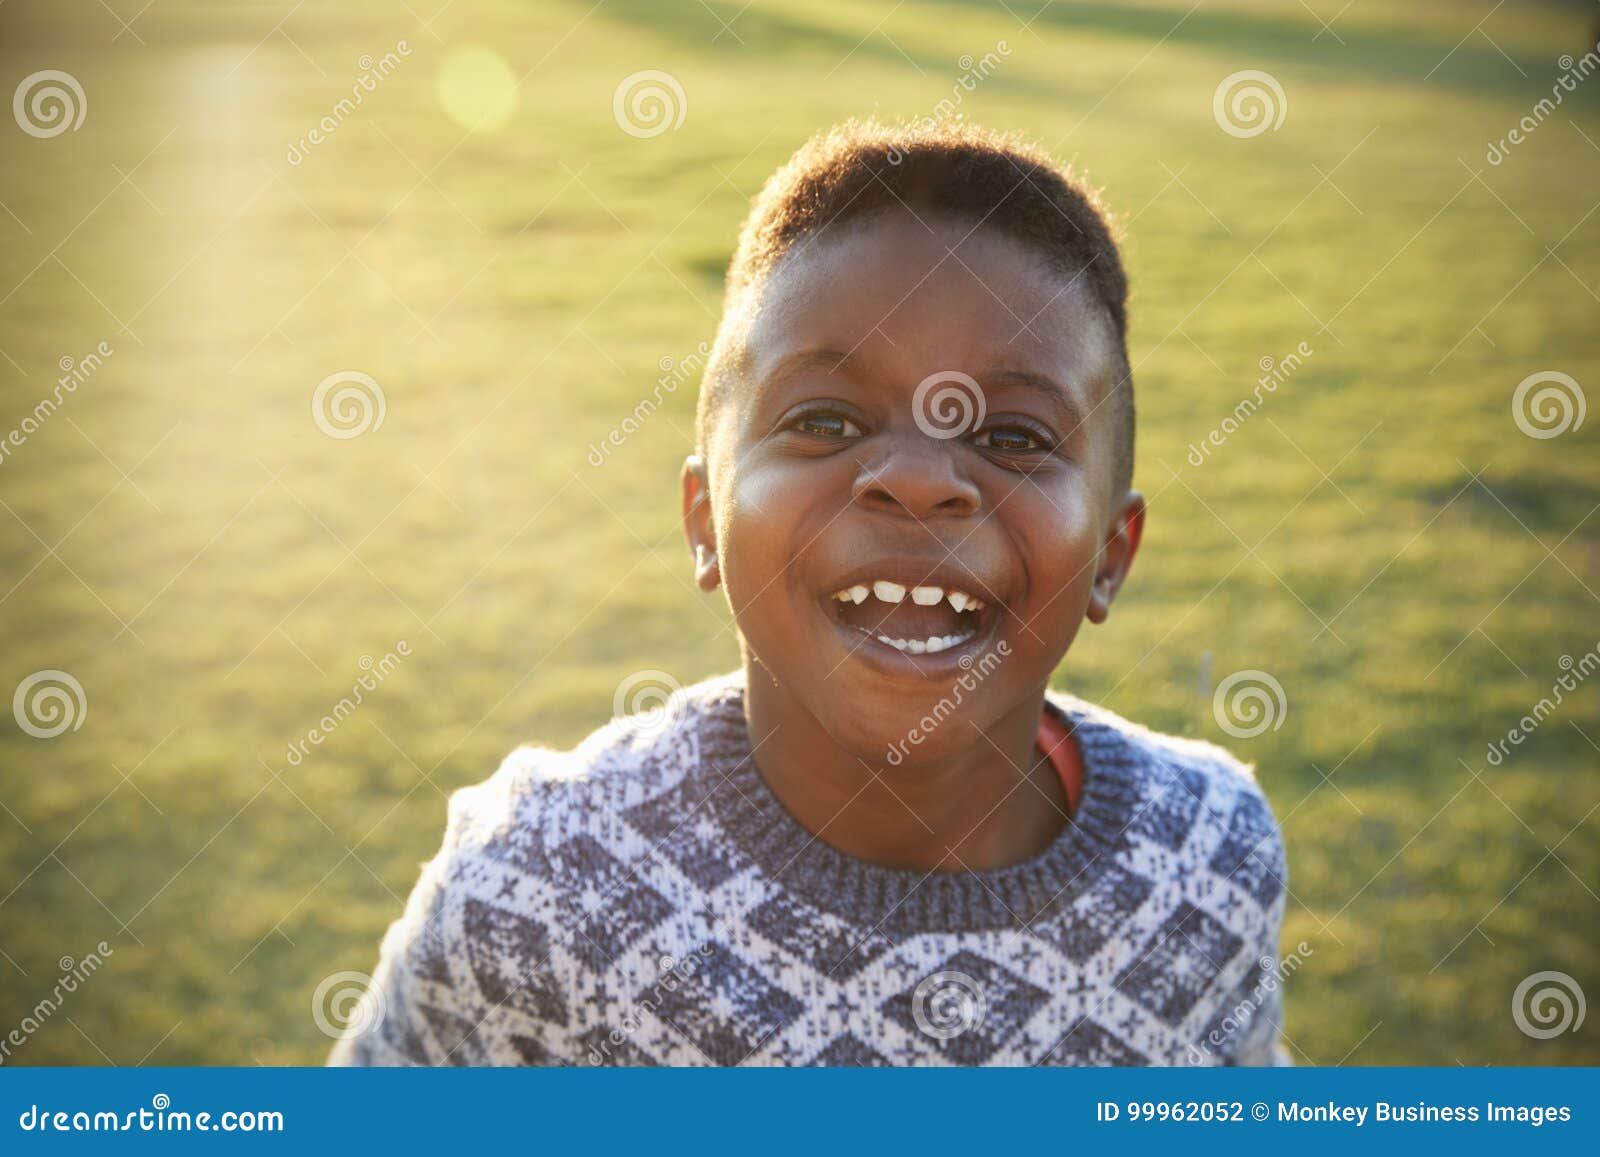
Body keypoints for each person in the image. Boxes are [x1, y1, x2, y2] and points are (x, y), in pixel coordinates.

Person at [329, 119, 1287, 1067]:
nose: (919, 479)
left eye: (1015, 437)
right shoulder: (538, 884)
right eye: (826, 418)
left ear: (1111, 555)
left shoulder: (1209, 850)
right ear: (706, 519)